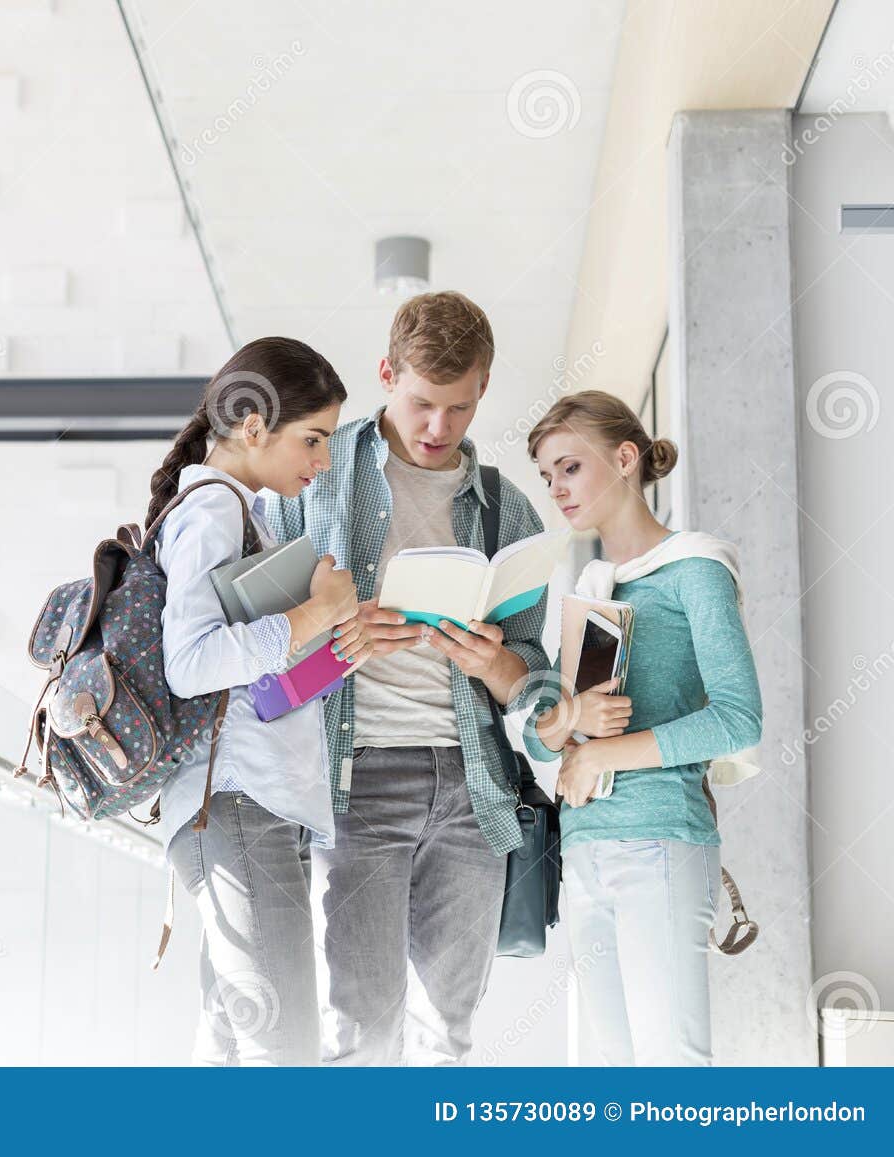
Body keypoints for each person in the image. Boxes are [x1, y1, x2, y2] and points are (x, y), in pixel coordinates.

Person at [267, 291, 551, 1065]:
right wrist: (336, 637)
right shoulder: (313, 480)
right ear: (387, 373)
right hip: (358, 784)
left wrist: (497, 661)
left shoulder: (509, 514)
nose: (437, 428)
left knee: (447, 1031)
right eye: (422, 403)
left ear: (483, 389)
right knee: (361, 1027)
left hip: (473, 787)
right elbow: (258, 666)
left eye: (458, 409)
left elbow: (532, 677)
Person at [524, 390, 763, 1066]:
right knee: (614, 1080)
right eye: (547, 476)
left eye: (569, 467)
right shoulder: (596, 586)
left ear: (625, 458)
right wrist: (569, 731)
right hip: (586, 852)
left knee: (673, 1073)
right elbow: (564, 741)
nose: (557, 488)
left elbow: (739, 716)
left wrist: (603, 755)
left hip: (659, 841)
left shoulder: (696, 568)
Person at [149, 336, 355, 1065]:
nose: (322, 461)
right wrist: (313, 616)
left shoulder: (241, 514)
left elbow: (256, 698)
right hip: (236, 804)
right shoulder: (211, 512)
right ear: (253, 426)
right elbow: (192, 664)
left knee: (236, 1048)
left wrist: (340, 649)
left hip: (250, 803)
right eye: (314, 438)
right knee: (284, 1051)